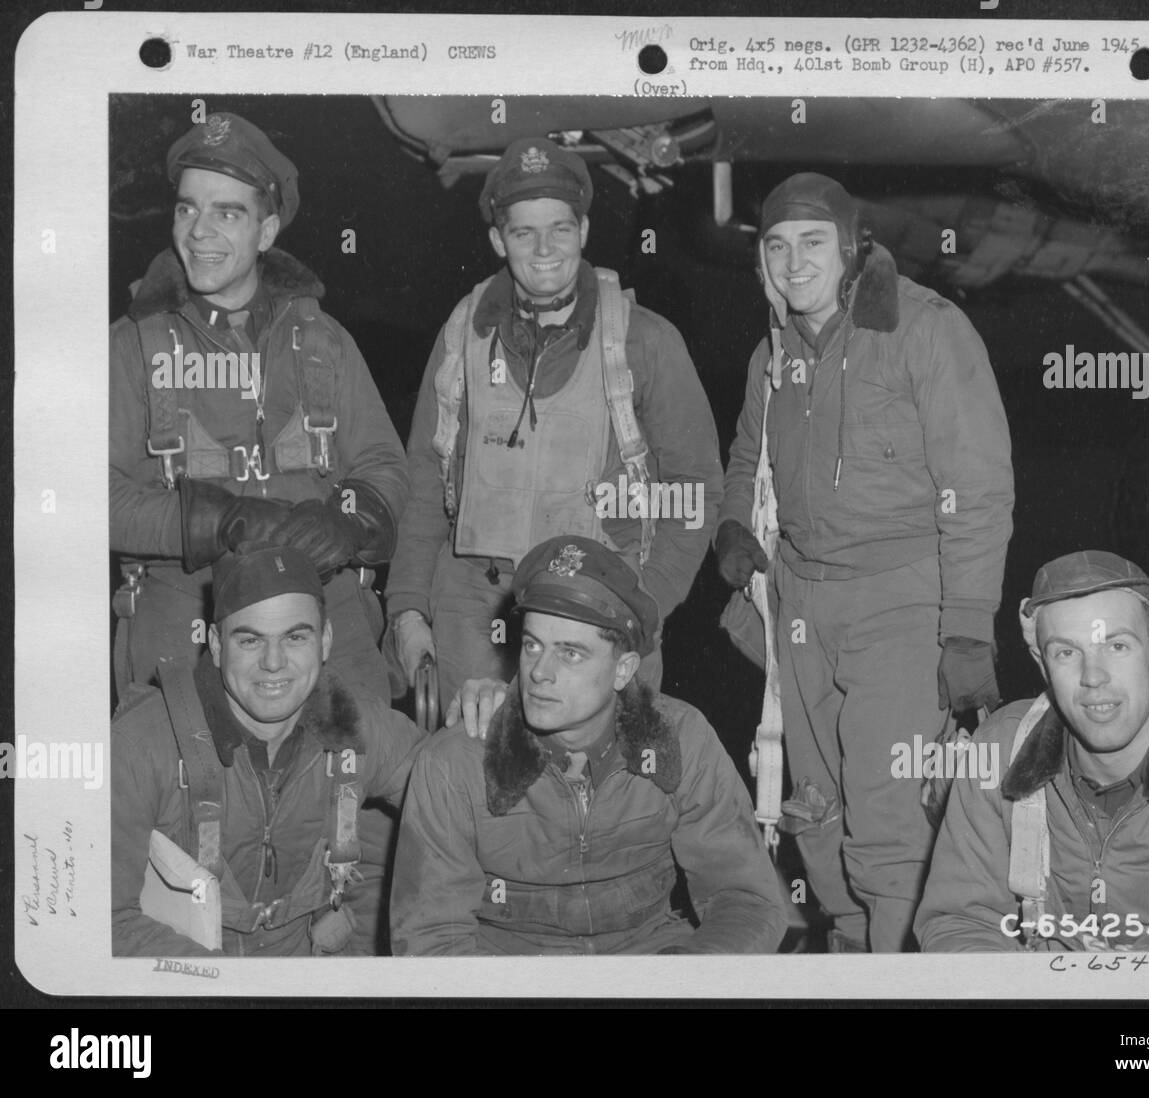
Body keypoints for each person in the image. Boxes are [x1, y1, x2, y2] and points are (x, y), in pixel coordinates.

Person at [715, 172, 1015, 952]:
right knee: (817, 814)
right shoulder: (773, 351)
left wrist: (968, 628)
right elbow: (749, 451)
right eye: (776, 247)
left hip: (903, 604)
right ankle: (851, 963)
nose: (793, 263)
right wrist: (732, 524)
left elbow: (977, 487)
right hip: (804, 606)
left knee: (888, 829)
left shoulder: (924, 329)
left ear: (851, 249)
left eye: (812, 244)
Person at [385, 136, 721, 703]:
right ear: (498, 240)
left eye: (560, 229)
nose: (545, 248)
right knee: (472, 782)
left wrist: (643, 606)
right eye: (524, 232)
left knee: (596, 785)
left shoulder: (644, 341)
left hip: (597, 612)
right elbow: (425, 483)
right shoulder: (462, 337)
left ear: (584, 232)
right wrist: (408, 610)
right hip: (475, 613)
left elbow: (694, 492)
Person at [109, 111, 408, 703]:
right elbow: (92, 498)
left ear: (267, 231)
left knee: (359, 773)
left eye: (227, 212)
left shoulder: (322, 340)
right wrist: (217, 521)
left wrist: (347, 521)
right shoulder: (133, 345)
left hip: (325, 616)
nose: (199, 232)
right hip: (186, 613)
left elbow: (385, 465)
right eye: (187, 208)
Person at [389, 535, 787, 956]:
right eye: (532, 645)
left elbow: (747, 901)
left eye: (571, 654)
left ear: (623, 670)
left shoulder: (679, 739)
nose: (540, 672)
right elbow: (431, 942)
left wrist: (678, 982)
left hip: (649, 964)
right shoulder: (456, 764)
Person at [112, 544, 427, 957]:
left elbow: (461, 791)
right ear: (217, 645)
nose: (274, 662)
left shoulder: (358, 730)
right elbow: (102, 921)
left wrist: (496, 718)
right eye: (250, 640)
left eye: (295, 637)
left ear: (326, 641)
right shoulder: (144, 742)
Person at [915, 550, 1149, 952]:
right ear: (1043, 666)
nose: (1093, 677)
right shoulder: (1001, 751)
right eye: (1066, 652)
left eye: (1116, 646)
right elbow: (962, 923)